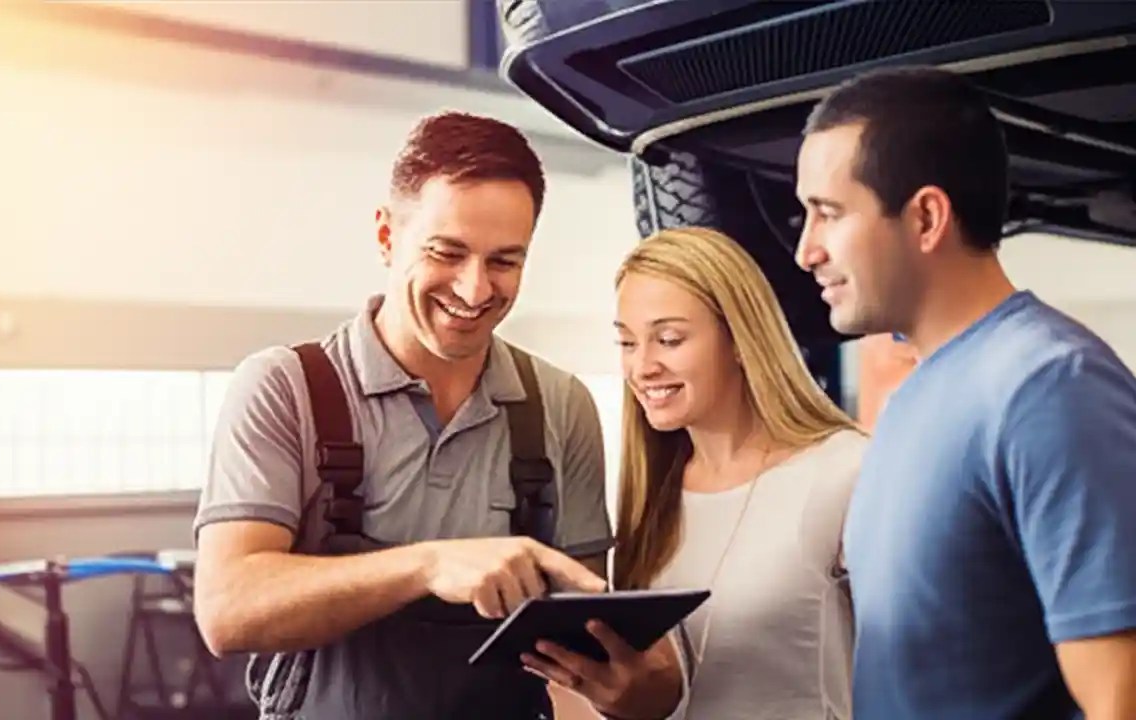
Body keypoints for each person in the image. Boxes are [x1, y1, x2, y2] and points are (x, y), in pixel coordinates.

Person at [191, 111, 682, 720]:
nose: (475, 290)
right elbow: (226, 609)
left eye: (505, 261)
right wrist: (429, 565)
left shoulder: (561, 406)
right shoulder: (284, 389)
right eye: (447, 252)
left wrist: (639, 694)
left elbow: (573, 657)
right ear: (385, 236)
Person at [794, 65, 1136, 719]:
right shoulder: (919, 396)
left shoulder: (1051, 389)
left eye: (828, 215)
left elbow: (1121, 698)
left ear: (926, 217)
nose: (806, 250)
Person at [523, 226, 867, 719]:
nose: (642, 366)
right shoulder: (652, 495)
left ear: (741, 340)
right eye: (626, 342)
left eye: (668, 339)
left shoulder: (844, 471)